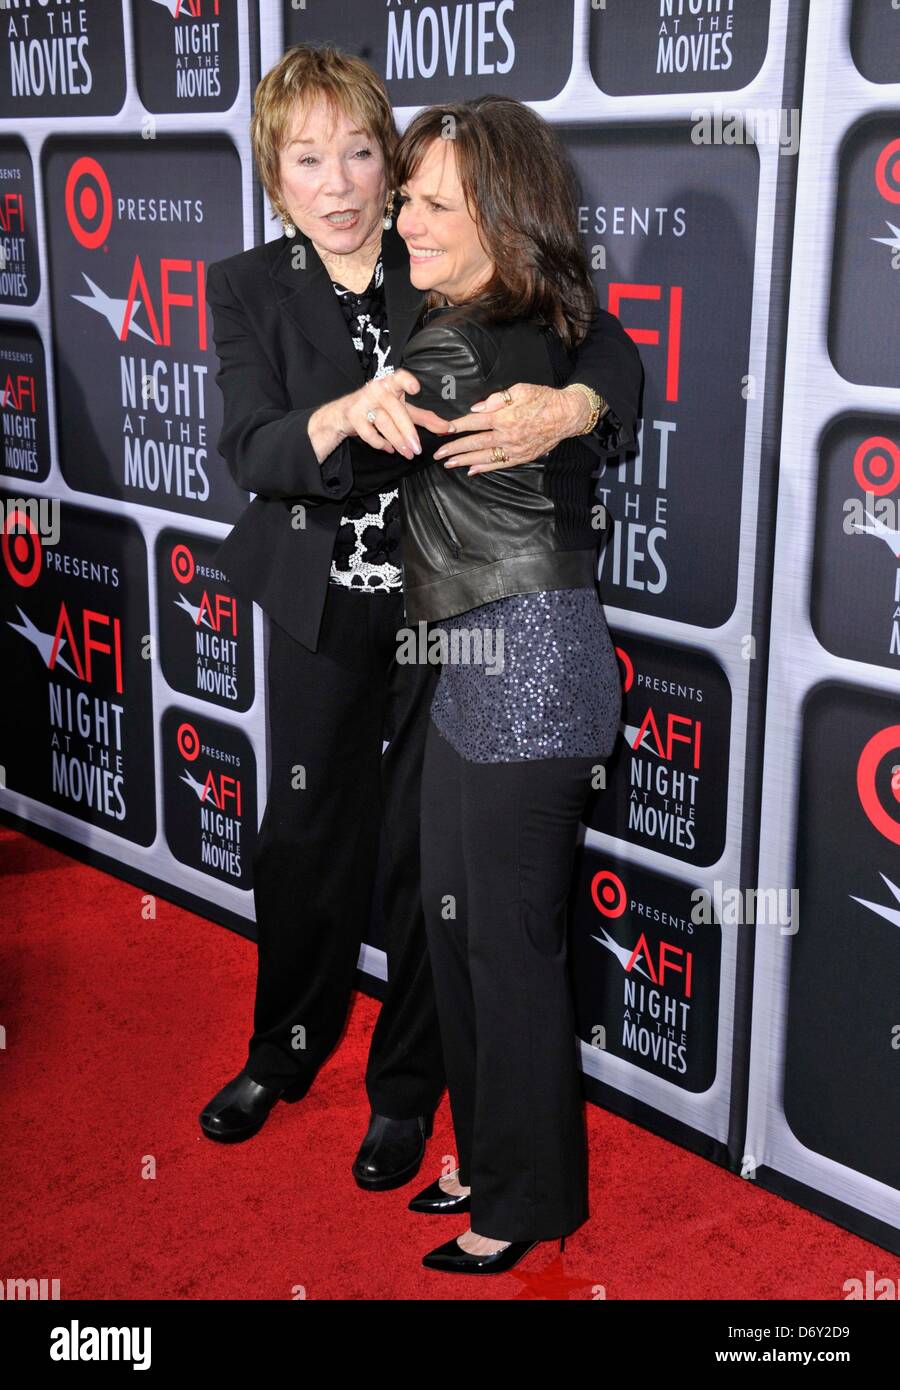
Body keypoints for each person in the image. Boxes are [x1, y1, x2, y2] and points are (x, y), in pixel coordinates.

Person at [199, 44, 641, 1194]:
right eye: (308, 159)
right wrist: (343, 414)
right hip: (324, 603)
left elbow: (599, 335)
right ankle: (283, 1052)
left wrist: (575, 404)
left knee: (421, 857)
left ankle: (404, 1091)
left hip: (450, 613)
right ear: (273, 174)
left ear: (390, 166)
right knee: (305, 841)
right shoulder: (246, 286)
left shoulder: (442, 242)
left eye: (361, 154)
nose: (340, 185)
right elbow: (251, 446)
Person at [390, 97, 642, 1272]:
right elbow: (605, 341)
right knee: (458, 937)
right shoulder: (520, 320)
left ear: (502, 217)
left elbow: (334, 462)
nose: (404, 219)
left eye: (435, 203)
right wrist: (588, 394)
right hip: (471, 670)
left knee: (507, 951)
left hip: (530, 678)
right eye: (406, 196)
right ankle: (488, 1152)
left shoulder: (459, 349)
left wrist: (327, 421)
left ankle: (524, 1199)